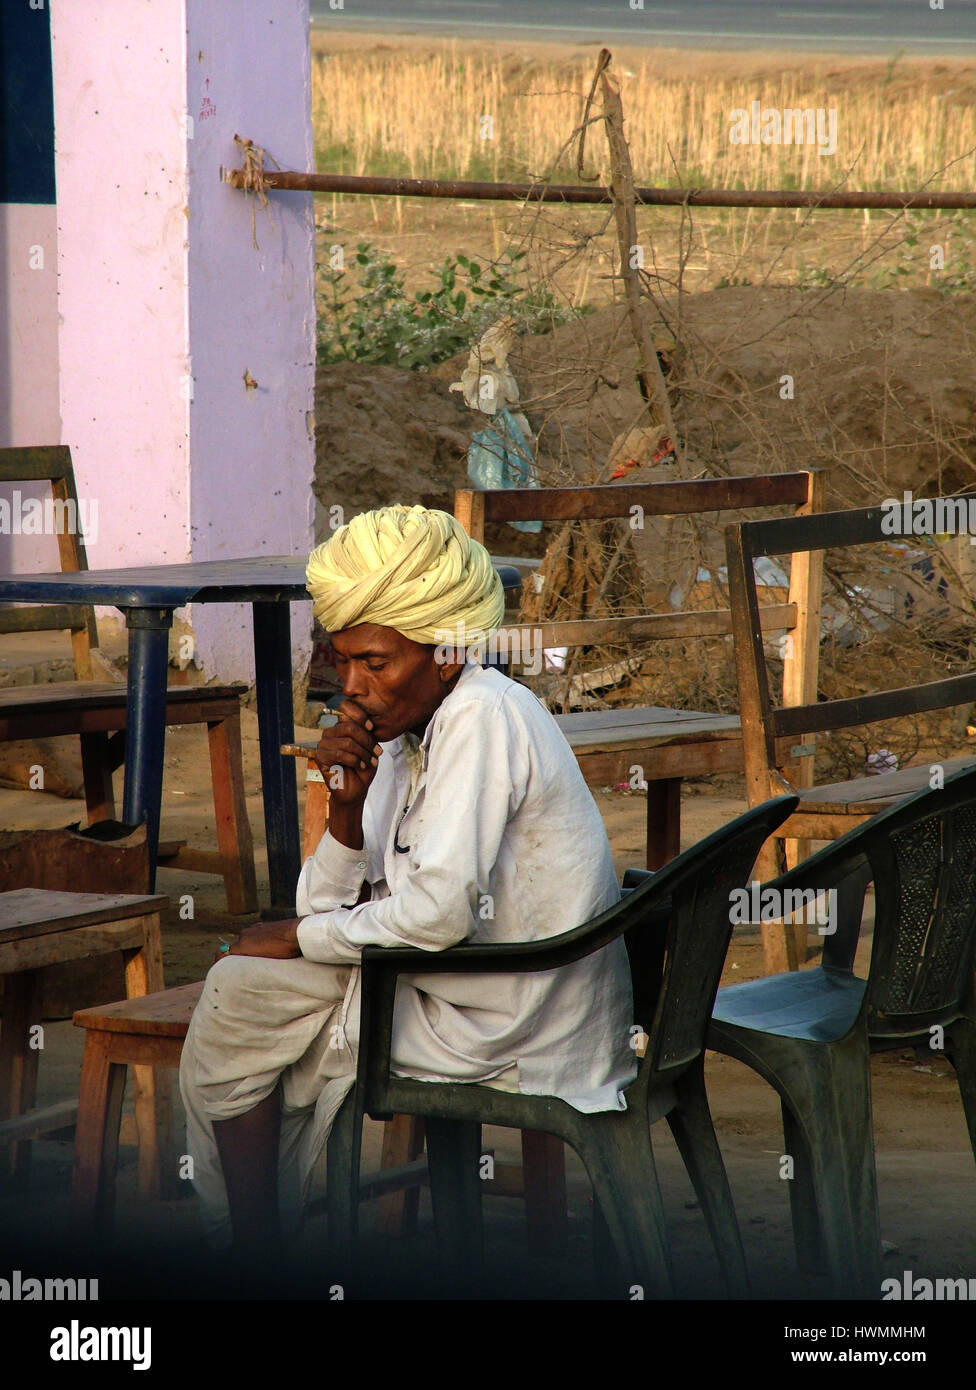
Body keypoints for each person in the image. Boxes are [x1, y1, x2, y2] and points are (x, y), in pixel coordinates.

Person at [179, 504, 636, 1257]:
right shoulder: (409, 731)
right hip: (459, 986)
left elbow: (434, 916)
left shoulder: (483, 717)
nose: (352, 687)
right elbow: (325, 908)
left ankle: (251, 1251)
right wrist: (347, 811)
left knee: (241, 1004)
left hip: (515, 1014)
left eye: (376, 663)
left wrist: (295, 937)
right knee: (241, 994)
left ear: (446, 653)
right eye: (345, 662)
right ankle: (254, 1248)